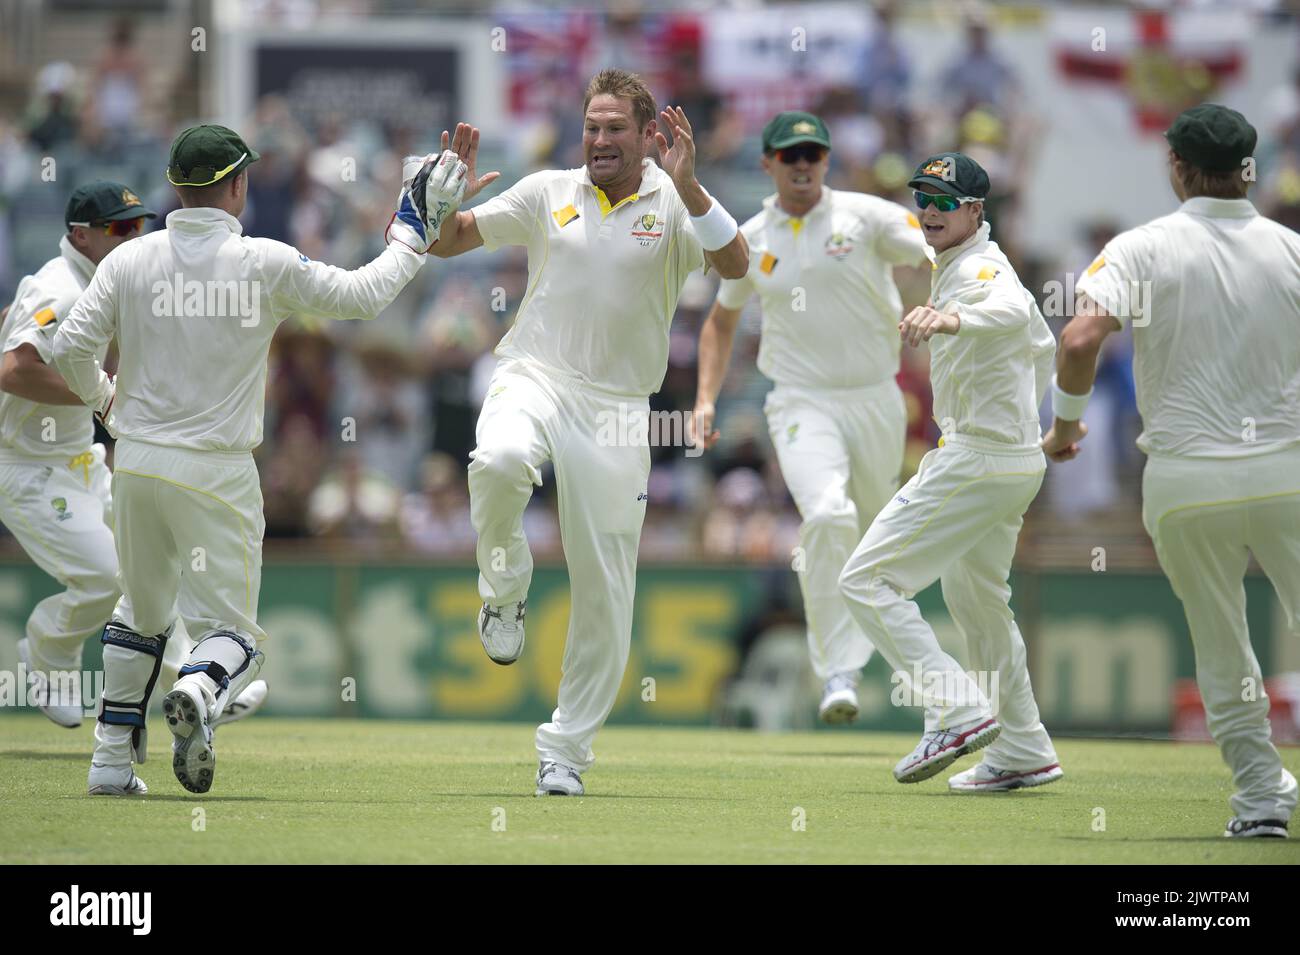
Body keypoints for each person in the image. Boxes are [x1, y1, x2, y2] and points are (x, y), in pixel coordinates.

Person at [52, 124, 468, 796]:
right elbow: (364, 296)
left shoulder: (128, 261)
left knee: (140, 612)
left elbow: (69, 352)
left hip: (136, 462)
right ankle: (197, 686)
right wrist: (413, 225)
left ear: (175, 187)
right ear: (239, 185)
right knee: (234, 638)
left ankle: (109, 762)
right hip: (216, 469)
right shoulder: (262, 261)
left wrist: (109, 407)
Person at [430, 68, 748, 795]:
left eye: (615, 129)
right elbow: (448, 242)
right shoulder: (549, 191)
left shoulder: (674, 201)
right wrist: (441, 200)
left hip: (617, 406)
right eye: (592, 127)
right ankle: (504, 587)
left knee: (606, 588)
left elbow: (737, 265)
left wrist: (692, 185)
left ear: (646, 136)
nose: (600, 140)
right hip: (535, 372)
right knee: (501, 457)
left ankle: (565, 750)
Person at [1048, 104, 1299, 838]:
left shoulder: (1142, 246)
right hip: (1287, 471)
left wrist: (1065, 426)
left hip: (1188, 480)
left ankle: (1259, 799)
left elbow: (1080, 334)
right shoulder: (1290, 248)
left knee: (1221, 640)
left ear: (1179, 168)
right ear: (1246, 169)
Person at [0, 181, 264, 733]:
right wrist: (102, 392)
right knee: (102, 577)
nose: (134, 235)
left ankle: (195, 682)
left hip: (79, 458)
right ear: (80, 235)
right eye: (120, 228)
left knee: (146, 579)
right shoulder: (62, 288)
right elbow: (14, 369)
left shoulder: (93, 278)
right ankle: (47, 655)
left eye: (139, 224)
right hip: (25, 465)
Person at [692, 111, 927, 723]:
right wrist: (706, 399)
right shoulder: (751, 239)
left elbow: (934, 247)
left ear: (827, 161)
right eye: (789, 156)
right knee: (827, 513)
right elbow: (720, 322)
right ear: (767, 162)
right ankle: (838, 670)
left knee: (878, 537)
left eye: (813, 155)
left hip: (876, 397)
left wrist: (953, 300)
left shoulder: (866, 216)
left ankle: (931, 691)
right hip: (799, 400)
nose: (802, 166)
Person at [838, 152, 1062, 790]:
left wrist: (952, 318)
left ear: (975, 210)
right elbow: (1040, 346)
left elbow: (1016, 316)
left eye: (944, 201)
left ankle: (954, 707)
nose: (929, 211)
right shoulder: (960, 264)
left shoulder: (983, 269)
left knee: (866, 580)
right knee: (980, 604)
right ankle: (1023, 746)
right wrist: (1033, 421)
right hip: (1011, 458)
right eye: (923, 199)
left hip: (978, 456)